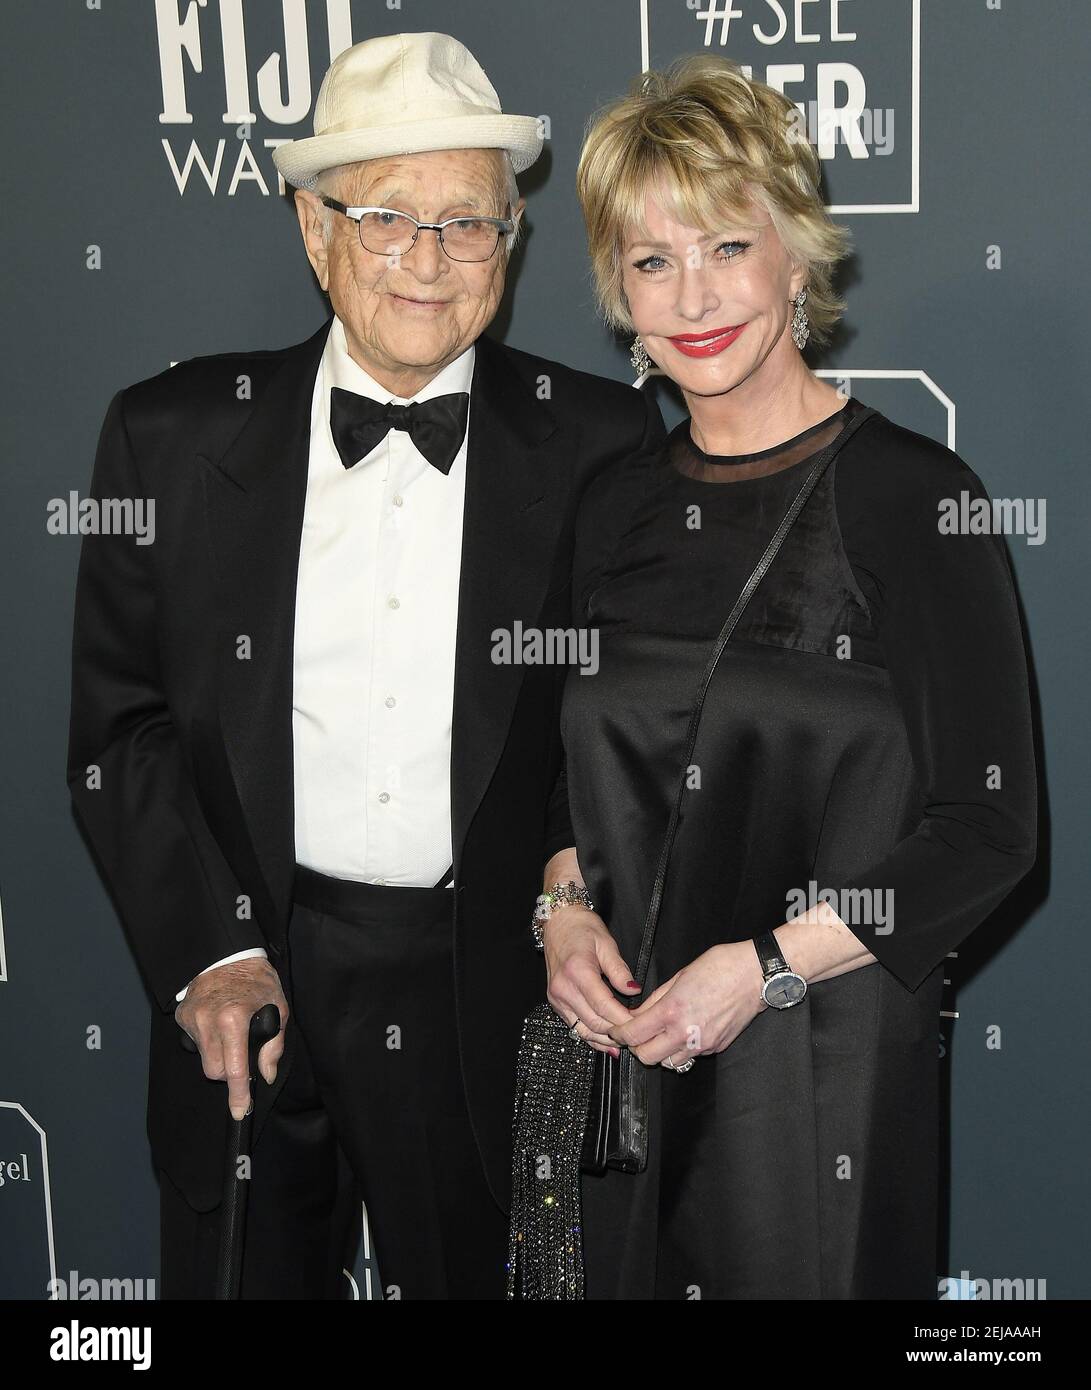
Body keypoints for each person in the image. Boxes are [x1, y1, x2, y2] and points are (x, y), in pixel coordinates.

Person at [66, 32, 663, 1300]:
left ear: (512, 241)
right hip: (254, 970)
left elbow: (615, 725)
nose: (429, 263)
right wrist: (211, 950)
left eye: (468, 224)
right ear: (311, 228)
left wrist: (565, 893)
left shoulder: (604, 441)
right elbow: (122, 734)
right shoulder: (166, 439)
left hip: (496, 988)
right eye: (387, 217)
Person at [535, 55, 1037, 1299]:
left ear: (795, 258)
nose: (692, 295)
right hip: (616, 1065)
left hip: (816, 1078)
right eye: (651, 261)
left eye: (724, 246)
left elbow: (986, 831)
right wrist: (559, 913)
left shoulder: (916, 499)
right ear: (619, 293)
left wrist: (758, 967)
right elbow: (567, 780)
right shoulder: (609, 506)